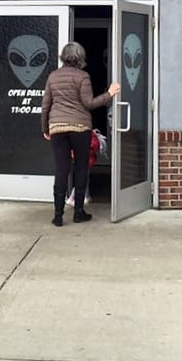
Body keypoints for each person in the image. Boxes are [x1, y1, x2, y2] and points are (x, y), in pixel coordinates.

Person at [42, 41, 120, 226]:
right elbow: (89, 104)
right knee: (81, 168)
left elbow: (45, 105)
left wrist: (46, 129)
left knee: (61, 169)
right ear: (81, 57)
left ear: (63, 56)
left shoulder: (53, 76)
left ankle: (58, 215)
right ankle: (78, 212)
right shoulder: (83, 76)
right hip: (79, 128)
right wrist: (109, 94)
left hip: (57, 128)